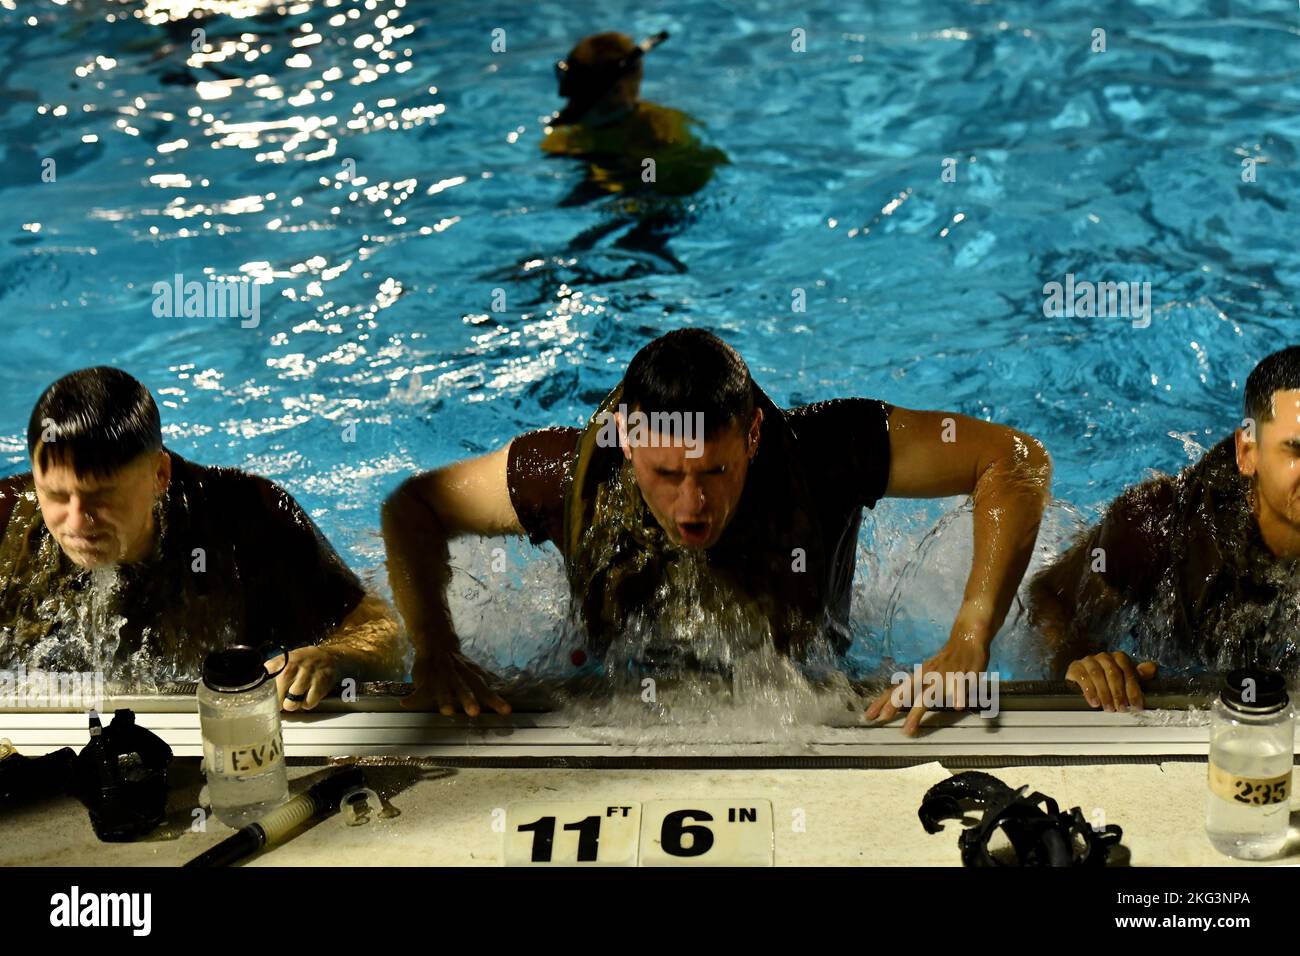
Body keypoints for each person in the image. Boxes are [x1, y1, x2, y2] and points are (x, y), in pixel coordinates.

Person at [384, 328, 1052, 734]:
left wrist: (971, 632)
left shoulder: (828, 450)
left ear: (753, 435)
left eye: (714, 470)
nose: (691, 504)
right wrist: (434, 647)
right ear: (627, 441)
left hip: (806, 679)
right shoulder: (562, 473)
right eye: (666, 474)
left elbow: (1015, 461)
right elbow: (413, 506)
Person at [0, 367, 403, 710]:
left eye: (102, 497)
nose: (76, 520)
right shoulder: (7, 518)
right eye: (54, 495)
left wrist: (334, 657)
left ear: (159, 475)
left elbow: (383, 631)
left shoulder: (250, 521)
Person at [1029, 346, 1300, 711]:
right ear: (1248, 452)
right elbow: (1050, 597)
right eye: (1296, 450)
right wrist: (1080, 662)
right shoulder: (1155, 524)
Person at [542, 31, 730, 201]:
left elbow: (649, 180)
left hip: (673, 191)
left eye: (578, 92)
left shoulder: (654, 132)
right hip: (639, 177)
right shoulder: (580, 126)